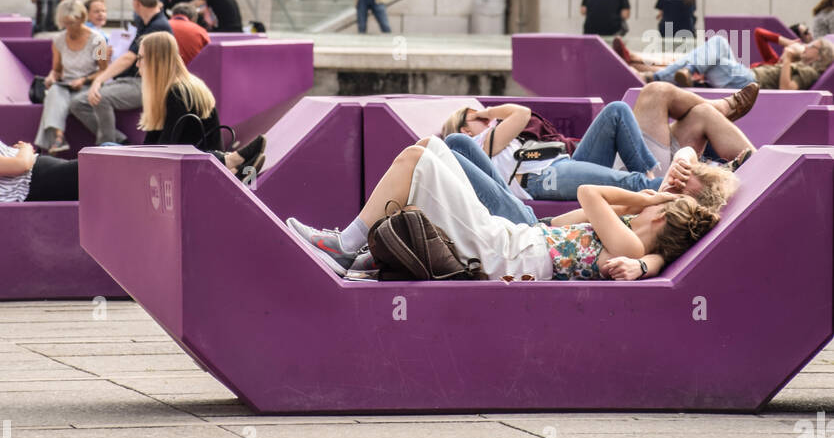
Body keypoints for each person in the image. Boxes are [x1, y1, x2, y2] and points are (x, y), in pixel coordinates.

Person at [287, 137, 722, 283]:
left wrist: (643, 198)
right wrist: (640, 207)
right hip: (511, 240)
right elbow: (566, 219)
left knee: (415, 160)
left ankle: (346, 245)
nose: (647, 206)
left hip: (506, 254)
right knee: (432, 148)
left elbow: (590, 191)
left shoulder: (626, 240)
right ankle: (359, 252)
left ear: (661, 217)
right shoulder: (625, 239)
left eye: (656, 206)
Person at [438, 86, 751, 222]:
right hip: (542, 179)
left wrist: (484, 115)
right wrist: (492, 111)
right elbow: (520, 113)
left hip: (565, 164)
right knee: (628, 183)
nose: (486, 117)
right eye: (476, 117)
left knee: (616, 110)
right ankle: (705, 182)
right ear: (466, 129)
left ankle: (655, 176)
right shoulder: (477, 143)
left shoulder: (497, 140)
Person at [136, 31, 265, 179]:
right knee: (111, 146)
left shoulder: (177, 93)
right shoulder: (182, 85)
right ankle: (234, 167)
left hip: (199, 170)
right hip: (199, 159)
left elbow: (166, 147)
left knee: (109, 146)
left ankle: (232, 162)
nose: (137, 64)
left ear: (155, 60)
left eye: (140, 58)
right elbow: (154, 142)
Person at [68, 0, 173, 143]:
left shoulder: (156, 25)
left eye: (103, 11)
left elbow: (128, 58)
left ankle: (108, 149)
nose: (101, 14)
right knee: (78, 103)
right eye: (97, 11)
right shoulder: (142, 24)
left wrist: (98, 78)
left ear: (136, 2)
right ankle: (119, 141)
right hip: (125, 79)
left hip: (146, 83)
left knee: (100, 97)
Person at [617, 31, 834, 91]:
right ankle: (686, 71)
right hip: (743, 75)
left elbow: (787, 91)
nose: (808, 47)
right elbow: (760, 34)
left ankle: (652, 75)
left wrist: (787, 58)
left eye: (813, 46)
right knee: (710, 49)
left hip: (748, 82)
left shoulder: (809, 72)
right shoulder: (799, 62)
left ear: (820, 56)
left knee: (717, 43)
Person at [33, 0, 111, 154]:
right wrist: (51, 77)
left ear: (82, 18)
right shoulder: (59, 40)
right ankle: (59, 137)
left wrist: (84, 79)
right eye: (65, 24)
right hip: (65, 85)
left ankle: (49, 145)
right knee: (54, 92)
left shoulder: (98, 40)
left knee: (72, 100)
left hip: (89, 84)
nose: (68, 28)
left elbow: (104, 71)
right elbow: (57, 70)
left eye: (72, 23)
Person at [0, 138, 80, 201]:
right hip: (36, 179)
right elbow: (22, 165)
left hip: (38, 175)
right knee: (94, 170)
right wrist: (26, 148)